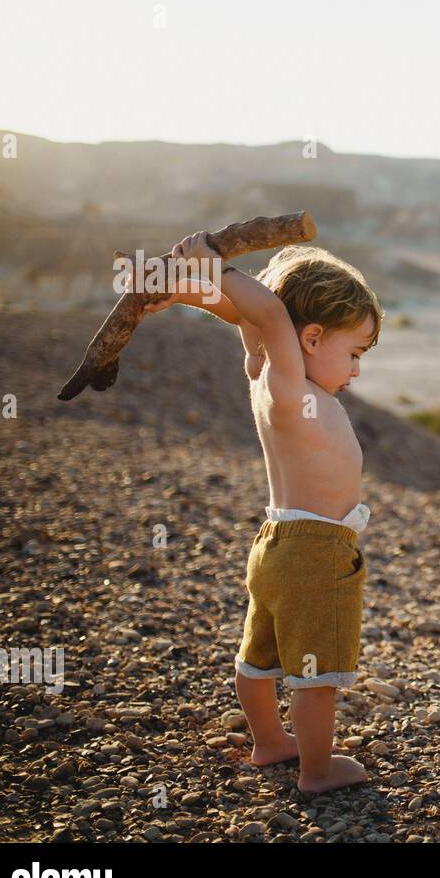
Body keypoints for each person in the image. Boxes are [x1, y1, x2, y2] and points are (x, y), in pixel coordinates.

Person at [138, 232, 383, 795]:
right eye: (355, 353)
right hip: (316, 552)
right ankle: (317, 772)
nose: (357, 371)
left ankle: (270, 741)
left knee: (258, 660)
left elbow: (254, 318)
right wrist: (212, 267)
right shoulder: (290, 385)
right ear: (313, 337)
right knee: (315, 675)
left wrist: (190, 289)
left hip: (274, 543)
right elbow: (269, 314)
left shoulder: (268, 375)